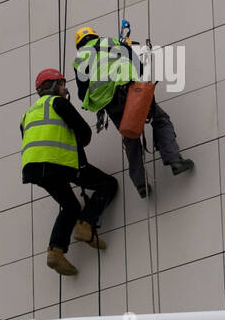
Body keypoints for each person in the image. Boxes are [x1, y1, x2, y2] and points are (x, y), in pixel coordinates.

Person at [73, 26, 193, 199]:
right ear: (94, 35)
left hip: (110, 105)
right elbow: (134, 60)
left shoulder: (79, 61)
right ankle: (174, 160)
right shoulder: (109, 41)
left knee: (130, 135)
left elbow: (82, 93)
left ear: (79, 45)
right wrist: (139, 80)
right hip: (127, 90)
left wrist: (97, 105)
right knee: (159, 119)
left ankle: (140, 184)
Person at [20, 68, 118, 276]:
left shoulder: (27, 114)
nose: (65, 89)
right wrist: (79, 153)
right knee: (108, 184)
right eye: (63, 84)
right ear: (56, 86)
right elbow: (84, 131)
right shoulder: (59, 103)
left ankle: (55, 252)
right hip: (60, 162)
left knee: (70, 205)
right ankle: (86, 224)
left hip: (34, 169)